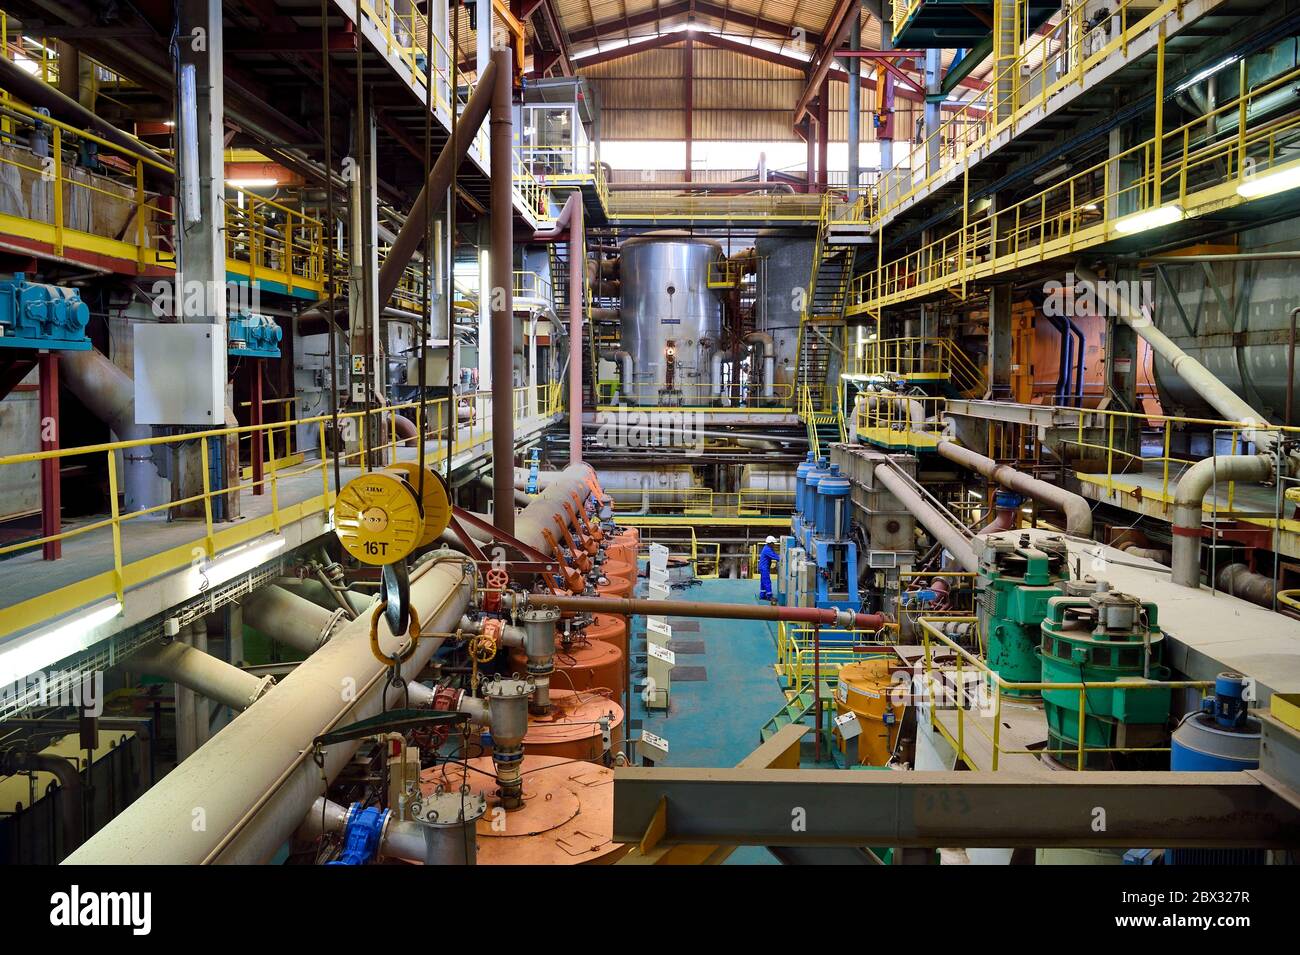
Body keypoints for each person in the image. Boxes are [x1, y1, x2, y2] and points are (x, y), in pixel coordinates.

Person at [758, 535, 779, 602]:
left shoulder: (767, 548)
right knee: (767, 581)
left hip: (763, 567)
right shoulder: (767, 550)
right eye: (773, 543)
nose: (774, 544)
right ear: (770, 543)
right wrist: (784, 558)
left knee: (763, 581)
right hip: (764, 568)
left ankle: (762, 595)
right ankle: (769, 596)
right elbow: (776, 557)